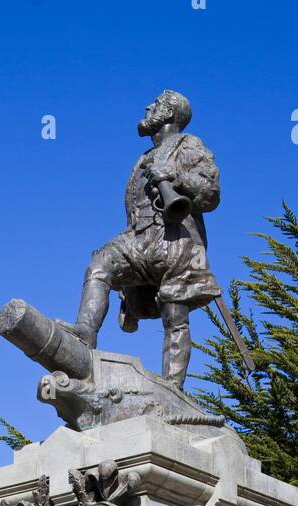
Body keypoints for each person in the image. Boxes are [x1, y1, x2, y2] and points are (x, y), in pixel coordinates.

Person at [68, 90, 221, 386]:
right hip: (139, 238)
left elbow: (211, 194)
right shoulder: (143, 158)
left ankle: (172, 387)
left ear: (170, 113)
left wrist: (175, 177)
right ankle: (85, 332)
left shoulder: (189, 145)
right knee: (99, 265)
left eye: (157, 104)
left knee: (174, 313)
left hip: (175, 241)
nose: (149, 106)